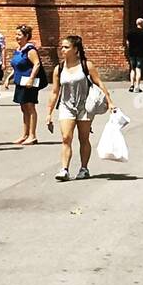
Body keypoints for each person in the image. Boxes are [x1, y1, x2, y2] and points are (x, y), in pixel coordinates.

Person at [47, 35, 113, 180]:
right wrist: (49, 113)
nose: (62, 50)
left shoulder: (86, 65)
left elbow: (99, 83)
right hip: (66, 106)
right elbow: (54, 91)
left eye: (66, 47)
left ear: (75, 49)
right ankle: (64, 169)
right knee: (66, 138)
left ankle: (84, 168)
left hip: (85, 106)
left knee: (83, 138)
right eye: (62, 47)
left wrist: (110, 101)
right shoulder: (59, 68)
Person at [9, 24, 45, 146]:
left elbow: (37, 64)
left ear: (26, 36)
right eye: (16, 34)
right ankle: (25, 134)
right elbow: (17, 66)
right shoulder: (19, 50)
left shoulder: (30, 50)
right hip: (20, 82)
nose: (17, 37)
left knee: (30, 108)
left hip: (29, 83)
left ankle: (32, 135)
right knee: (23, 108)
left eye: (19, 35)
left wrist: (31, 78)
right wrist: (9, 77)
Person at [125, 16, 143, 93]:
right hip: (141, 53)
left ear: (136, 23)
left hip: (132, 53)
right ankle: (137, 86)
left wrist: (128, 50)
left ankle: (131, 85)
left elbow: (127, 43)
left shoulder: (130, 32)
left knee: (132, 69)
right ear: (142, 24)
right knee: (138, 69)